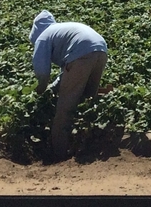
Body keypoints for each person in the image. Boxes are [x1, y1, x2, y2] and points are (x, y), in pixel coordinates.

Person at [30, 10, 108, 160]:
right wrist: (54, 87)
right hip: (101, 49)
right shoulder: (60, 30)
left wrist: (41, 89)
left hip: (82, 54)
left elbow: (42, 70)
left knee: (65, 107)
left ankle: (58, 153)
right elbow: (67, 72)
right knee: (87, 100)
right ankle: (88, 145)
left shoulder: (43, 37)